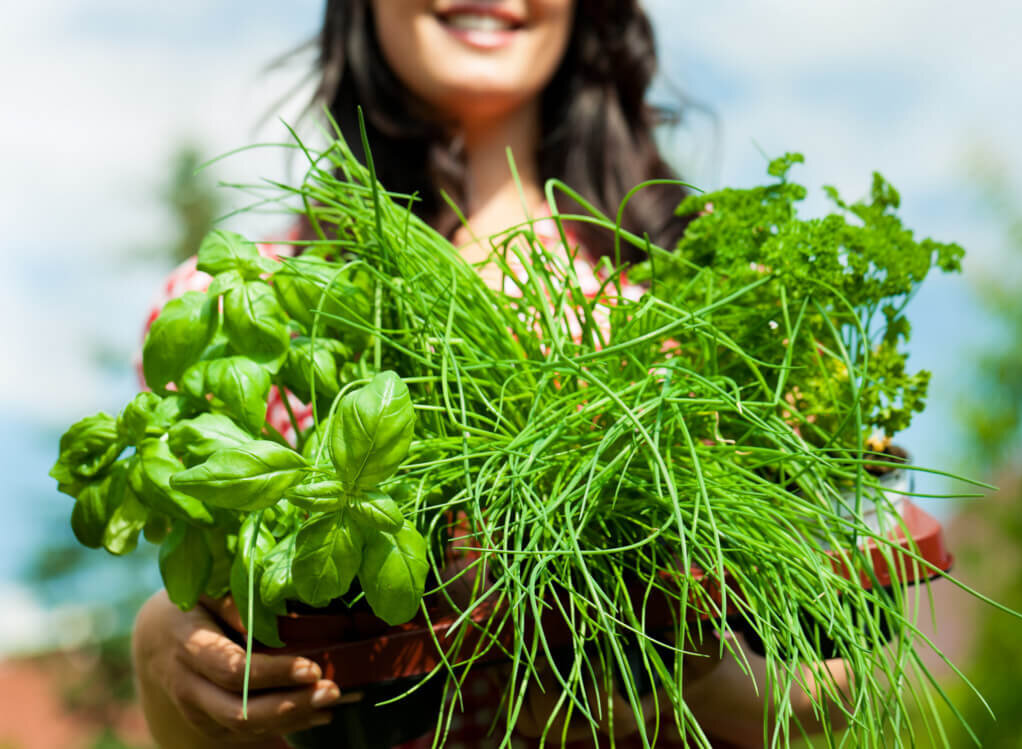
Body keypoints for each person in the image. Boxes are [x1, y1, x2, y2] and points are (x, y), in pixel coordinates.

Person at [131, 2, 849, 747]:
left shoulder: (721, 298)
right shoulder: (247, 317)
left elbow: (839, 660)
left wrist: (690, 694)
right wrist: (159, 649)